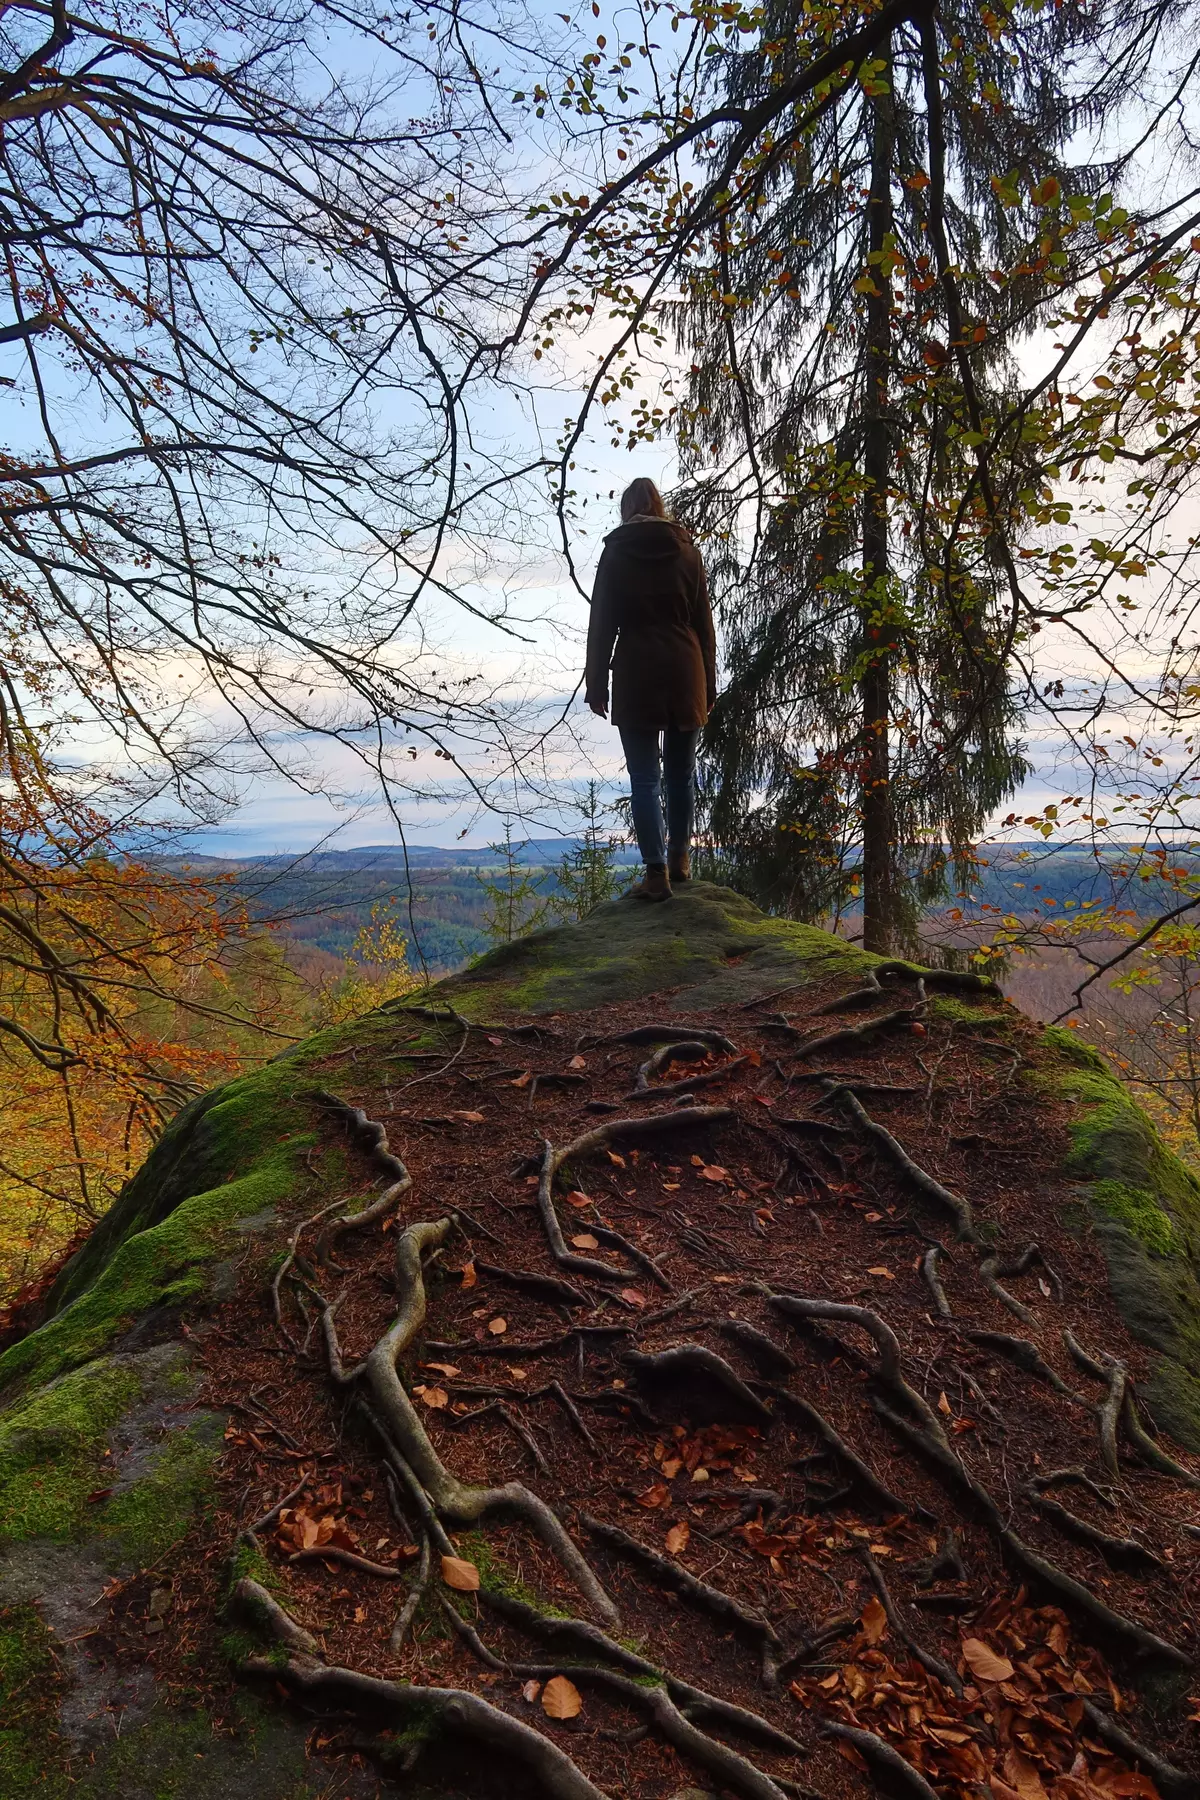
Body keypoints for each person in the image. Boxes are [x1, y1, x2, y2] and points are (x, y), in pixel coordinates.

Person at [584, 477, 717, 902]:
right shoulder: (689, 553)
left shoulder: (616, 554)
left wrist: (596, 682)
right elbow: (705, 627)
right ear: (660, 507)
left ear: (626, 510)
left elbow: (601, 622)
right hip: (686, 668)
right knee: (681, 775)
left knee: (645, 779)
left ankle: (656, 873)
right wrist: (709, 687)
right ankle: (680, 860)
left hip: (636, 670)